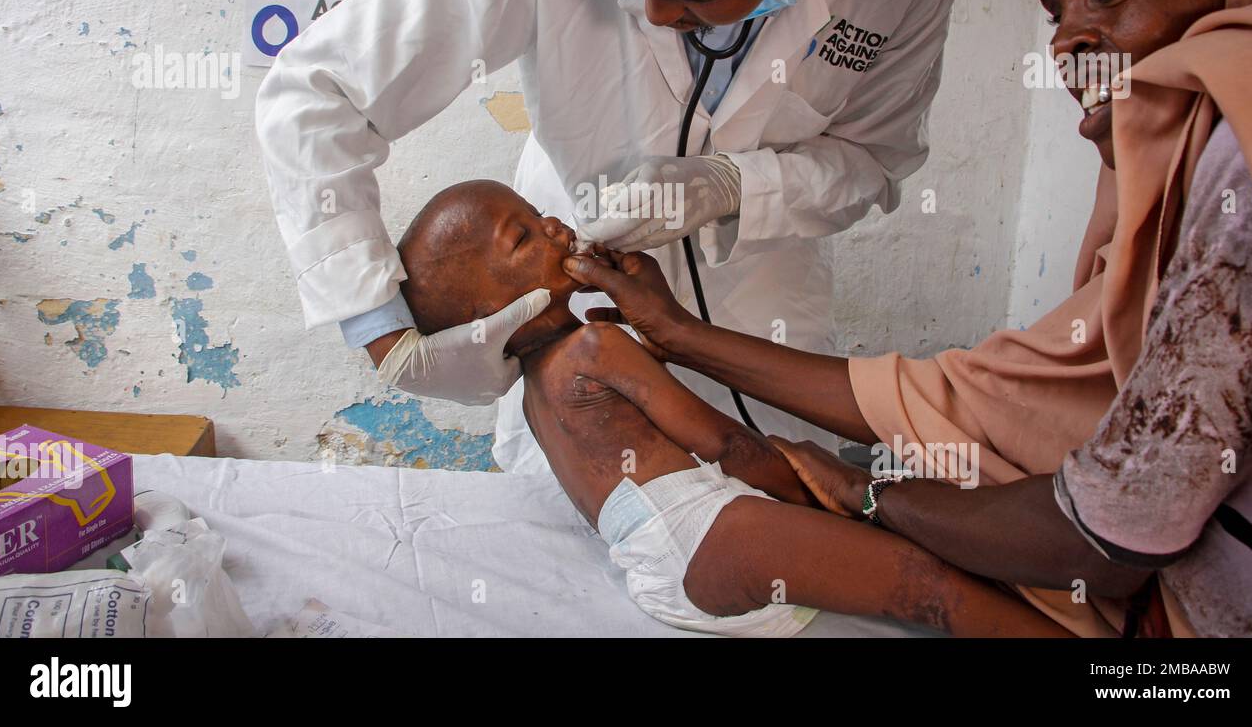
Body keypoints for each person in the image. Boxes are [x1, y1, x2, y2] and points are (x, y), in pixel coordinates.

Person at [562, 0, 1252, 636]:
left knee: (755, 541)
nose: (1070, 45)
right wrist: (678, 334)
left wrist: (872, 495)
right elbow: (985, 398)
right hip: (1149, 583)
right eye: (1055, 15)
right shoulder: (1174, 183)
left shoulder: (1248, 160)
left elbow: (1102, 534)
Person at [253, 0, 957, 471]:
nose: (651, 15)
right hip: (569, 323)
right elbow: (315, 93)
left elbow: (872, 158)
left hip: (761, 302)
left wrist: (730, 186)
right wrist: (385, 335)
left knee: (769, 502)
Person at [392, 179, 1068, 637]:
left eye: (535, 213)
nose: (552, 225)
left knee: (914, 562)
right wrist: (801, 488)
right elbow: (722, 443)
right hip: (712, 539)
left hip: (661, 572)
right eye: (522, 239)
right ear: (490, 312)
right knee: (926, 583)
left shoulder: (531, 393)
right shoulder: (598, 345)